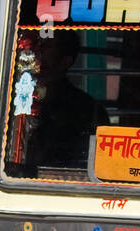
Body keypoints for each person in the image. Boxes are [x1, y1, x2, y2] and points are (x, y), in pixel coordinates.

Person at [13, 30, 108, 172]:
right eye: (38, 46)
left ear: (65, 61)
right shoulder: (10, 96)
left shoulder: (86, 110)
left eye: (46, 48)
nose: (38, 53)